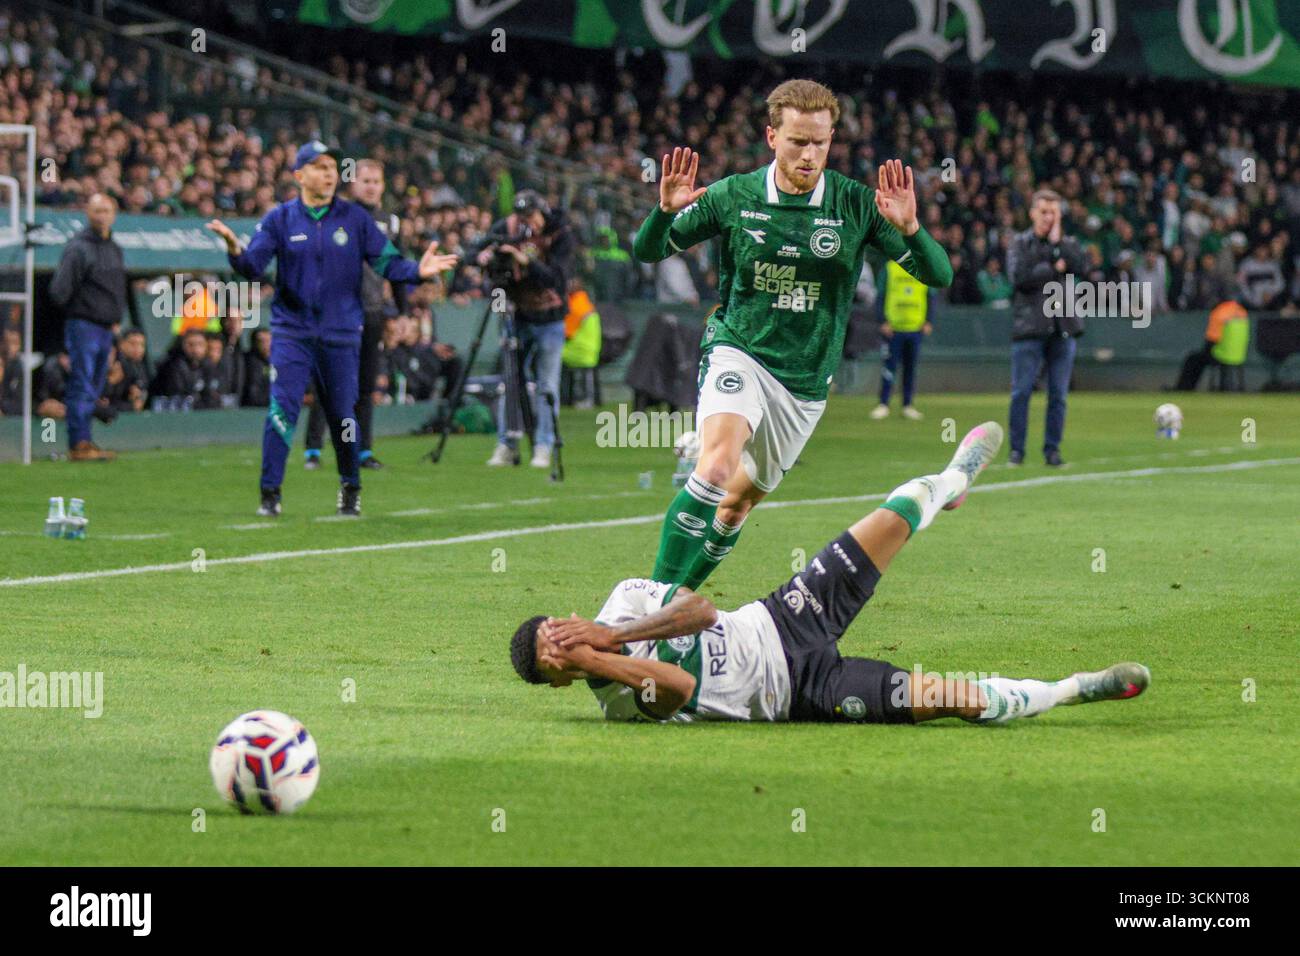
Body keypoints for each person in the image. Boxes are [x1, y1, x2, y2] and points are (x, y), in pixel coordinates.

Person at [511, 421, 1150, 725]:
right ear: (562, 683)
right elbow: (676, 684)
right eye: (557, 663)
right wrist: (601, 661)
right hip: (806, 691)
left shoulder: (625, 598)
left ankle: (951, 480)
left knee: (888, 519)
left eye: (557, 635)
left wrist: (612, 635)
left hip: (785, 614)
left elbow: (701, 611)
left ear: (566, 616)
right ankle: (1073, 688)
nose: (566, 649)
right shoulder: (621, 704)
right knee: (947, 698)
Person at [631, 79, 952, 591]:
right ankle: (651, 606)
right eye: (799, 141)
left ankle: (679, 599)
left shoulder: (856, 204)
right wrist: (663, 213)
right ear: (772, 137)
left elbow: (940, 275)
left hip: (804, 381)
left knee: (736, 506)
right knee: (715, 469)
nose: (809, 154)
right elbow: (649, 250)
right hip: (739, 349)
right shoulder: (733, 195)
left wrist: (913, 230)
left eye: (820, 143)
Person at [207, 141, 457, 517]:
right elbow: (253, 267)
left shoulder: (356, 220)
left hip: (341, 334)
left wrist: (417, 272)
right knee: (282, 409)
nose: (328, 173)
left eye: (332, 167)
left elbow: (388, 262)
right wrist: (233, 250)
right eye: (320, 166)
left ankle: (350, 485)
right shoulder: (279, 219)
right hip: (292, 332)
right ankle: (270, 494)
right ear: (299, 175)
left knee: (343, 415)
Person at [303, 159, 405, 472]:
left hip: (372, 312)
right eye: (366, 181)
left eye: (376, 181)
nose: (371, 186)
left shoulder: (392, 223)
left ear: (383, 185)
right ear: (354, 184)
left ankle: (362, 450)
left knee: (365, 385)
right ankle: (313, 449)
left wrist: (400, 312)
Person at [480, 190, 576, 470]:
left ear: (542, 211)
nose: (528, 223)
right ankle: (507, 443)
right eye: (523, 217)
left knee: (547, 385)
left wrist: (526, 262)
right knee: (510, 381)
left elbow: (557, 280)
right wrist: (487, 256)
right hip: (517, 314)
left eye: (531, 216)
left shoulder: (561, 235)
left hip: (550, 319)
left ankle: (544, 445)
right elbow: (478, 249)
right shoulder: (507, 229)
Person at [47, 193, 140, 461]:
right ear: (88, 213)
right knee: (83, 384)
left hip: (105, 328)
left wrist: (113, 319)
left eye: (106, 210)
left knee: (94, 385)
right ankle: (79, 444)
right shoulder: (78, 248)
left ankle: (85, 439)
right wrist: (84, 309)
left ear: (114, 214)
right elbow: (58, 291)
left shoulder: (114, 248)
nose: (101, 216)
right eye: (97, 210)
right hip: (84, 325)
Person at [1005, 189, 1087, 467]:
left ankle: (1052, 451)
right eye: (1043, 211)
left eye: (1054, 212)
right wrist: (1054, 264)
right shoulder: (1020, 243)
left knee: (1059, 396)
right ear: (1032, 213)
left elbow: (1080, 266)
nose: (1048, 217)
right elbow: (1019, 277)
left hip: (1062, 328)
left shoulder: (1069, 243)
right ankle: (1017, 451)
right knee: (1021, 392)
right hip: (1029, 328)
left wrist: (1058, 244)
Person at [869, 259, 938, 421]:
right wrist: (882, 321)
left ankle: (908, 405)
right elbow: (881, 295)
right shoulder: (890, 268)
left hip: (915, 328)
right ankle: (883, 404)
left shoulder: (923, 266)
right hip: (893, 328)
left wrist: (929, 320)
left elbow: (931, 296)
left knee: (910, 368)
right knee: (889, 367)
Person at [1173, 299, 1249, 391]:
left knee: (1193, 359)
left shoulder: (1219, 312)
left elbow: (1212, 340)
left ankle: (1184, 388)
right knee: (1198, 358)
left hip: (1222, 354)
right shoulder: (1242, 311)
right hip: (1239, 355)